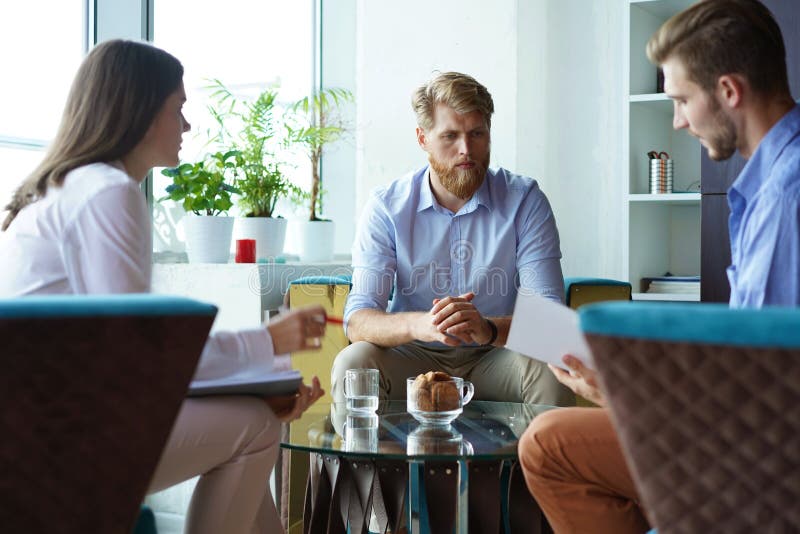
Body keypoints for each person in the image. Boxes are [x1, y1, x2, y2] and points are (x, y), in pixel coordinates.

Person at [0, 39, 327, 534]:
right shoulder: (108, 193)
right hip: (58, 438)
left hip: (38, 420)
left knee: (250, 427)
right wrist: (269, 342)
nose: (187, 126)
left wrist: (258, 382)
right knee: (256, 429)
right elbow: (138, 360)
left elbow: (123, 356)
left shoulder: (67, 188)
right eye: (179, 108)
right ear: (141, 110)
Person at [517, 1, 800, 533]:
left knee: (548, 444)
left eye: (681, 100)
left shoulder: (784, 199)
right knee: (556, 436)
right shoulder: (773, 181)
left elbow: (764, 402)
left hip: (767, 462)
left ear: (729, 91)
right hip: (754, 434)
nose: (677, 121)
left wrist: (628, 393)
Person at [331, 71, 574, 407]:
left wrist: (486, 328)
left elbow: (551, 323)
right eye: (450, 136)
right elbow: (358, 320)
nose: (466, 150)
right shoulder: (386, 207)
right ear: (422, 138)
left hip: (495, 356)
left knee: (553, 360)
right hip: (411, 357)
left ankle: (536, 462)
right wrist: (422, 325)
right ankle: (374, 462)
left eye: (477, 133)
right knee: (352, 363)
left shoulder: (524, 200)